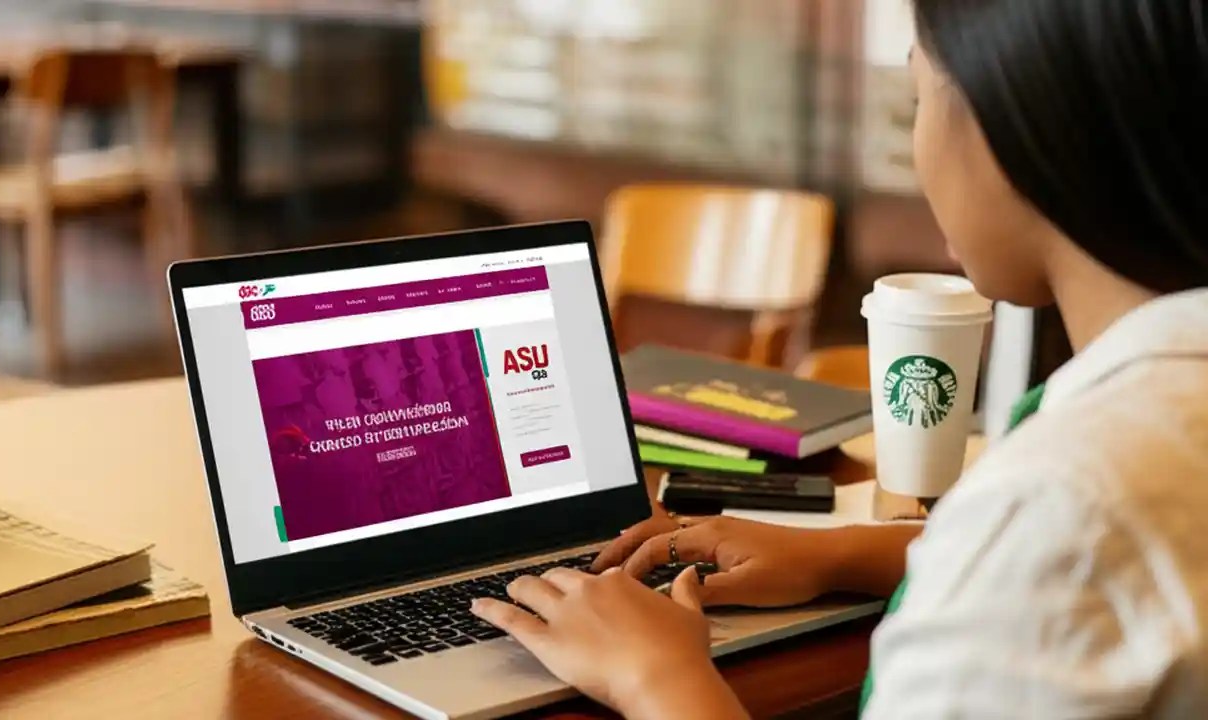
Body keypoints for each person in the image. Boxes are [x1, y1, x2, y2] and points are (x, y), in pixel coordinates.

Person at [469, 0, 1208, 717]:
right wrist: (844, 554)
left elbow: (1056, 555)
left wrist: (657, 678)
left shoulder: (1063, 502)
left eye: (919, 94)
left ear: (1015, 127)